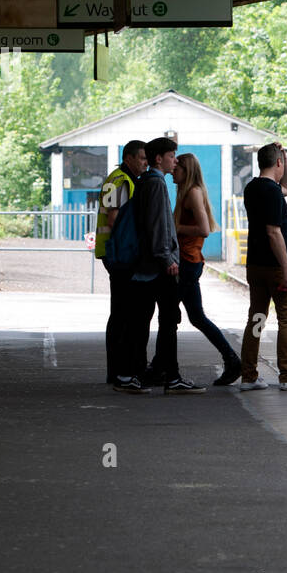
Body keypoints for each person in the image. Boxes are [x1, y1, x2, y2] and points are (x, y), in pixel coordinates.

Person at [115, 136, 203, 395]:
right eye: (171, 156)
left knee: (154, 320)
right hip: (157, 266)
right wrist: (167, 258)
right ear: (159, 158)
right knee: (162, 321)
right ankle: (141, 375)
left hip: (151, 264)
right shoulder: (155, 184)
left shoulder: (149, 182)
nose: (175, 161)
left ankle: (148, 374)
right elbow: (157, 226)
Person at [238, 142, 287, 391]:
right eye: (282, 161)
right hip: (277, 267)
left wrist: (284, 157)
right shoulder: (272, 192)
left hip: (255, 266)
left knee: (256, 317)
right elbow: (274, 232)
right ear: (278, 162)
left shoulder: (253, 187)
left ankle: (249, 375)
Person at [172, 152, 241, 386]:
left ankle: (164, 367)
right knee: (196, 317)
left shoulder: (192, 193)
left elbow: (203, 229)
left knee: (173, 315)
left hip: (188, 262)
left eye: (177, 168)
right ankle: (231, 359)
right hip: (188, 261)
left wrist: (175, 227)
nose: (173, 170)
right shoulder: (187, 192)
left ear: (187, 171)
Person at [98, 140, 146, 385]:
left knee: (121, 312)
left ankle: (117, 369)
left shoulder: (120, 178)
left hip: (116, 253)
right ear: (129, 158)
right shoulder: (120, 181)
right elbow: (115, 218)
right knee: (122, 313)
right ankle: (119, 371)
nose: (145, 163)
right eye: (142, 158)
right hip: (119, 255)